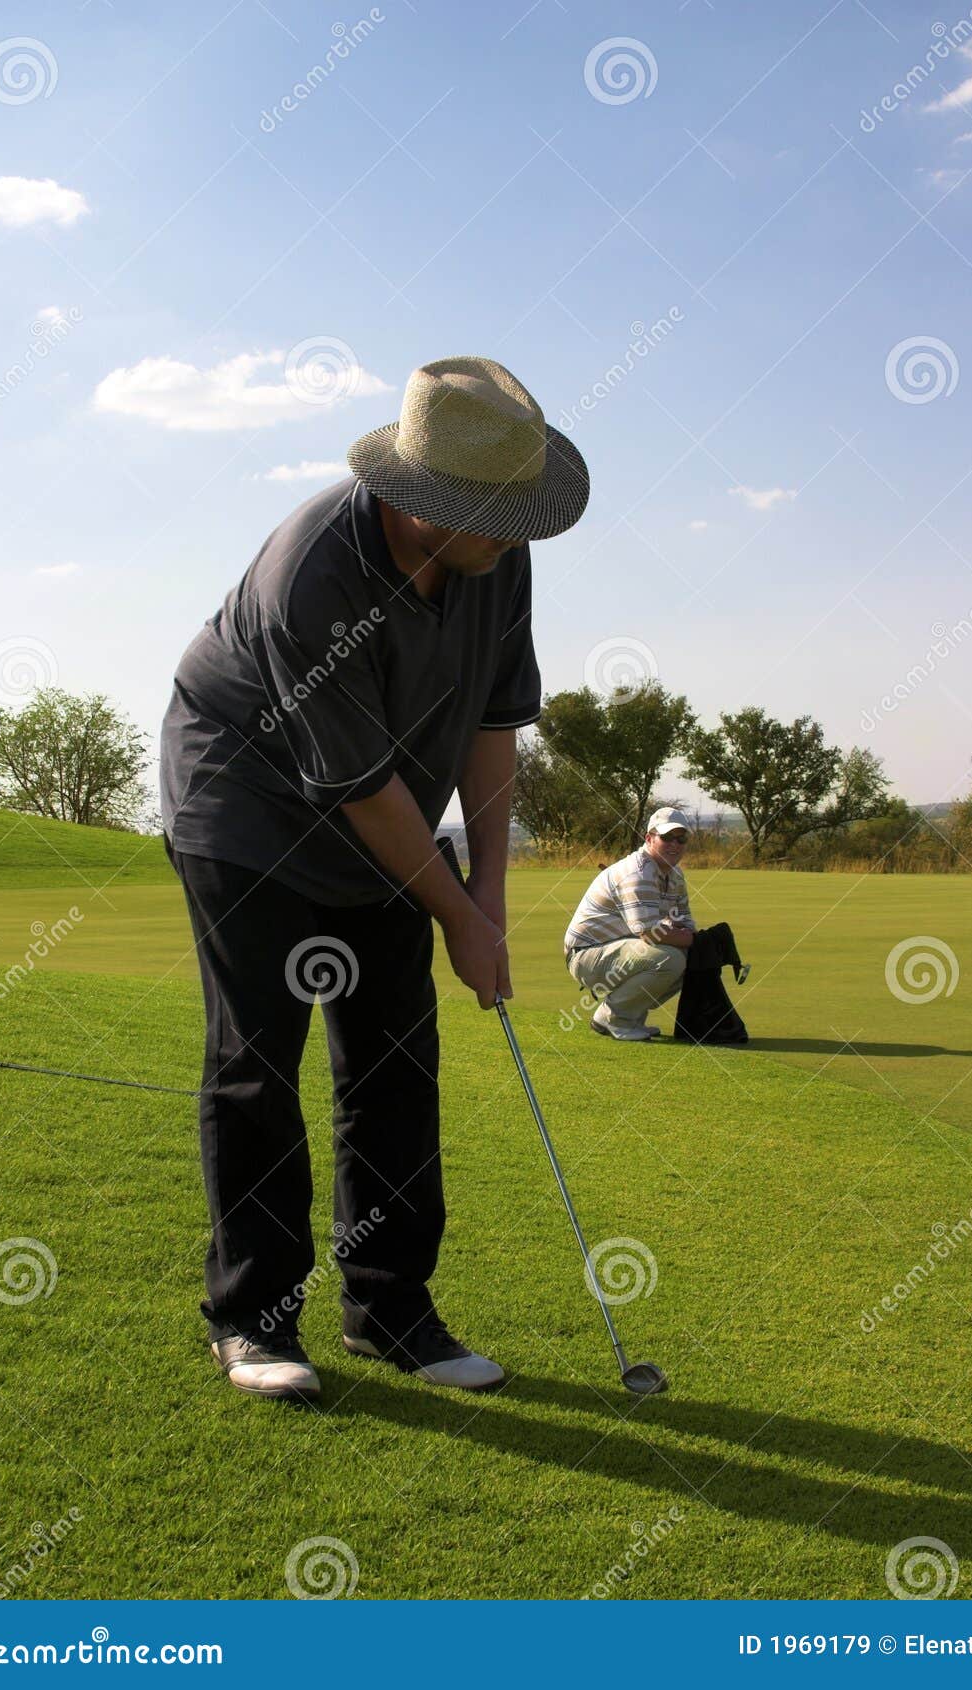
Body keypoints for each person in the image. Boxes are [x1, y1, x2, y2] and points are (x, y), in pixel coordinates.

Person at [159, 356, 590, 1401]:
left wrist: (486, 902)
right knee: (260, 1060)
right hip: (247, 805)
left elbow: (491, 730)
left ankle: (392, 1310)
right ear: (416, 498)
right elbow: (357, 788)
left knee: (395, 1058)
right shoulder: (311, 573)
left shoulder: (495, 556)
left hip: (384, 800)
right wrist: (450, 913)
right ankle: (253, 1321)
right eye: (491, 513)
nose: (510, 533)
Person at [563, 808, 696, 1042]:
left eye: (681, 838)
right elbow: (649, 933)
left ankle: (620, 1017)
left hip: (618, 950)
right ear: (649, 838)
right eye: (666, 837)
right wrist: (695, 940)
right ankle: (619, 1020)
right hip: (585, 954)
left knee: (694, 958)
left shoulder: (675, 875)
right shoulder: (638, 872)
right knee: (670, 959)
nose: (675, 844)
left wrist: (695, 942)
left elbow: (684, 919)